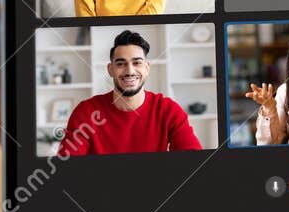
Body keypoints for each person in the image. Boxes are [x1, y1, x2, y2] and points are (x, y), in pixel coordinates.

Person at [58, 31, 201, 156]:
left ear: (147, 68)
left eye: (137, 63)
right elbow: (67, 169)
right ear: (110, 69)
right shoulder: (86, 112)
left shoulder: (168, 110)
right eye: (121, 64)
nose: (130, 71)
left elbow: (193, 162)